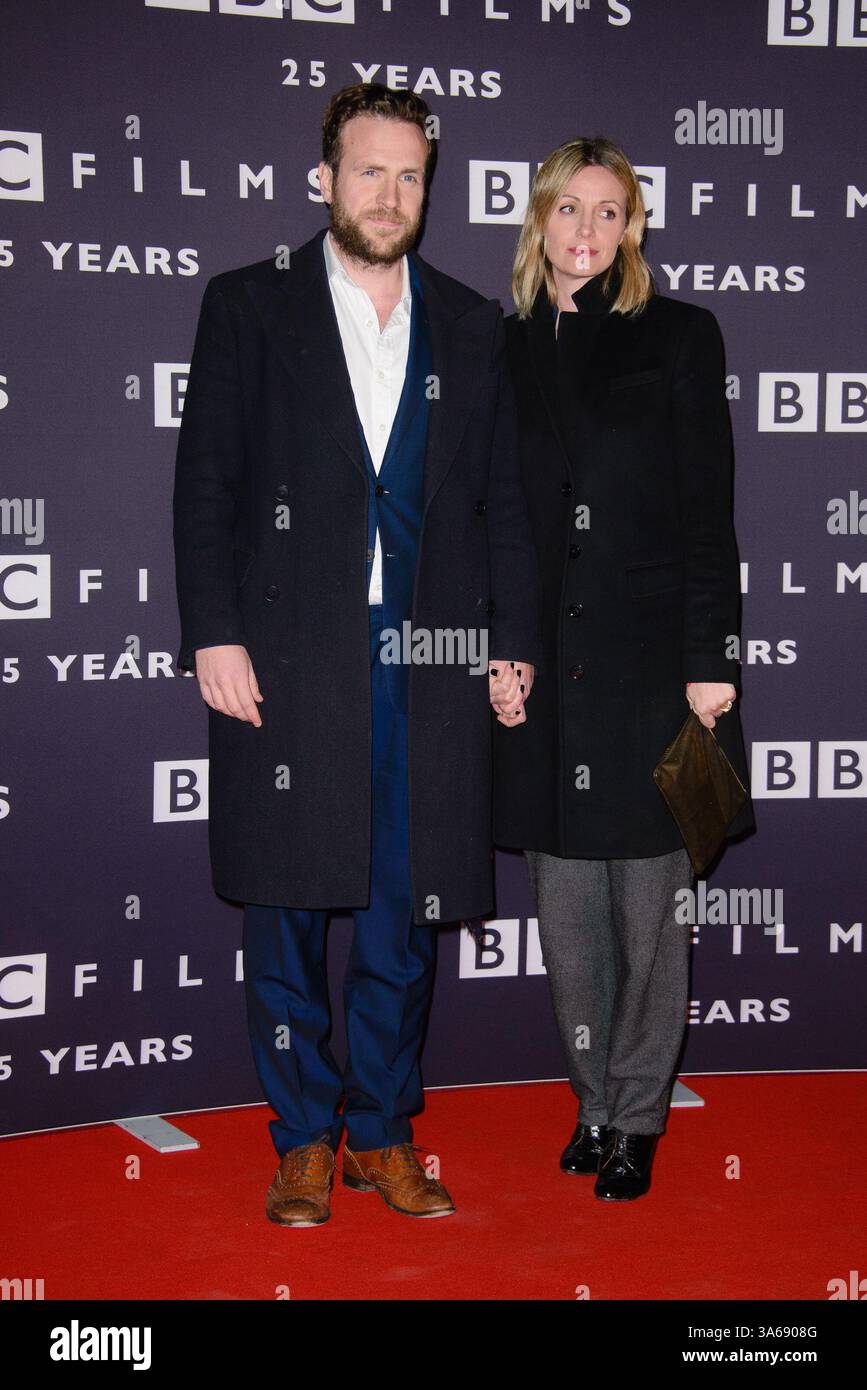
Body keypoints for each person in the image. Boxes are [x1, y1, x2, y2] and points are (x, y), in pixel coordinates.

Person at [172, 83, 539, 1227]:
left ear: (430, 188)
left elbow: (504, 502)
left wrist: (511, 644)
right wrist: (214, 630)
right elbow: (207, 482)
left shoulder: (472, 324)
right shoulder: (249, 304)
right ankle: (301, 1140)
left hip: (429, 659)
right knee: (285, 907)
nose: (389, 194)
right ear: (324, 178)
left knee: (402, 912)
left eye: (410, 175)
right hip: (288, 653)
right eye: (368, 170)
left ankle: (381, 1132)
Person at [492, 136, 754, 1201]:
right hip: (548, 676)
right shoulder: (502, 345)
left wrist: (709, 657)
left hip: (650, 669)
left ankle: (638, 1113)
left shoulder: (678, 333)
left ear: (633, 225)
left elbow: (707, 512)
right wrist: (504, 648)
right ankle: (592, 1101)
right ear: (540, 218)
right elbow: (500, 522)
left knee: (651, 918)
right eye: (570, 208)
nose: (588, 229)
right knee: (569, 922)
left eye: (610, 211)